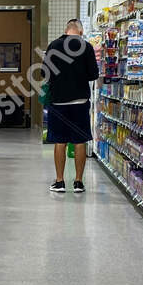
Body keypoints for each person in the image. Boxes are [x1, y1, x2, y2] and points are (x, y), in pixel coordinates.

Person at [43, 18, 100, 195]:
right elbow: (93, 75)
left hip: (58, 102)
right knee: (79, 141)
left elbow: (44, 72)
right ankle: (78, 182)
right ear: (80, 32)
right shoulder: (87, 47)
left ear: (66, 30)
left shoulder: (53, 45)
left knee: (60, 141)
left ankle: (60, 182)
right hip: (80, 102)